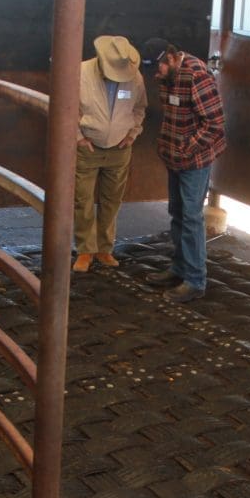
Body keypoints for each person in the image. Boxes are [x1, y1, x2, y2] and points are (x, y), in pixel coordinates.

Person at [139, 37, 227, 303]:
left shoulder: (197, 76)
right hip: (175, 157)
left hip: (194, 161)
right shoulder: (168, 76)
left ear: (171, 57)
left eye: (159, 68)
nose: (156, 75)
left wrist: (186, 148)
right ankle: (179, 269)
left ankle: (195, 280)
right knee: (177, 213)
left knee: (191, 217)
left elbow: (214, 124)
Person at [73, 35, 147, 272]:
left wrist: (133, 133)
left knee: (112, 200)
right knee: (82, 199)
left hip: (120, 147)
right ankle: (85, 249)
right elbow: (67, 107)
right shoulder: (80, 73)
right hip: (88, 145)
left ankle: (105, 248)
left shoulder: (134, 77)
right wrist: (79, 138)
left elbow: (139, 107)